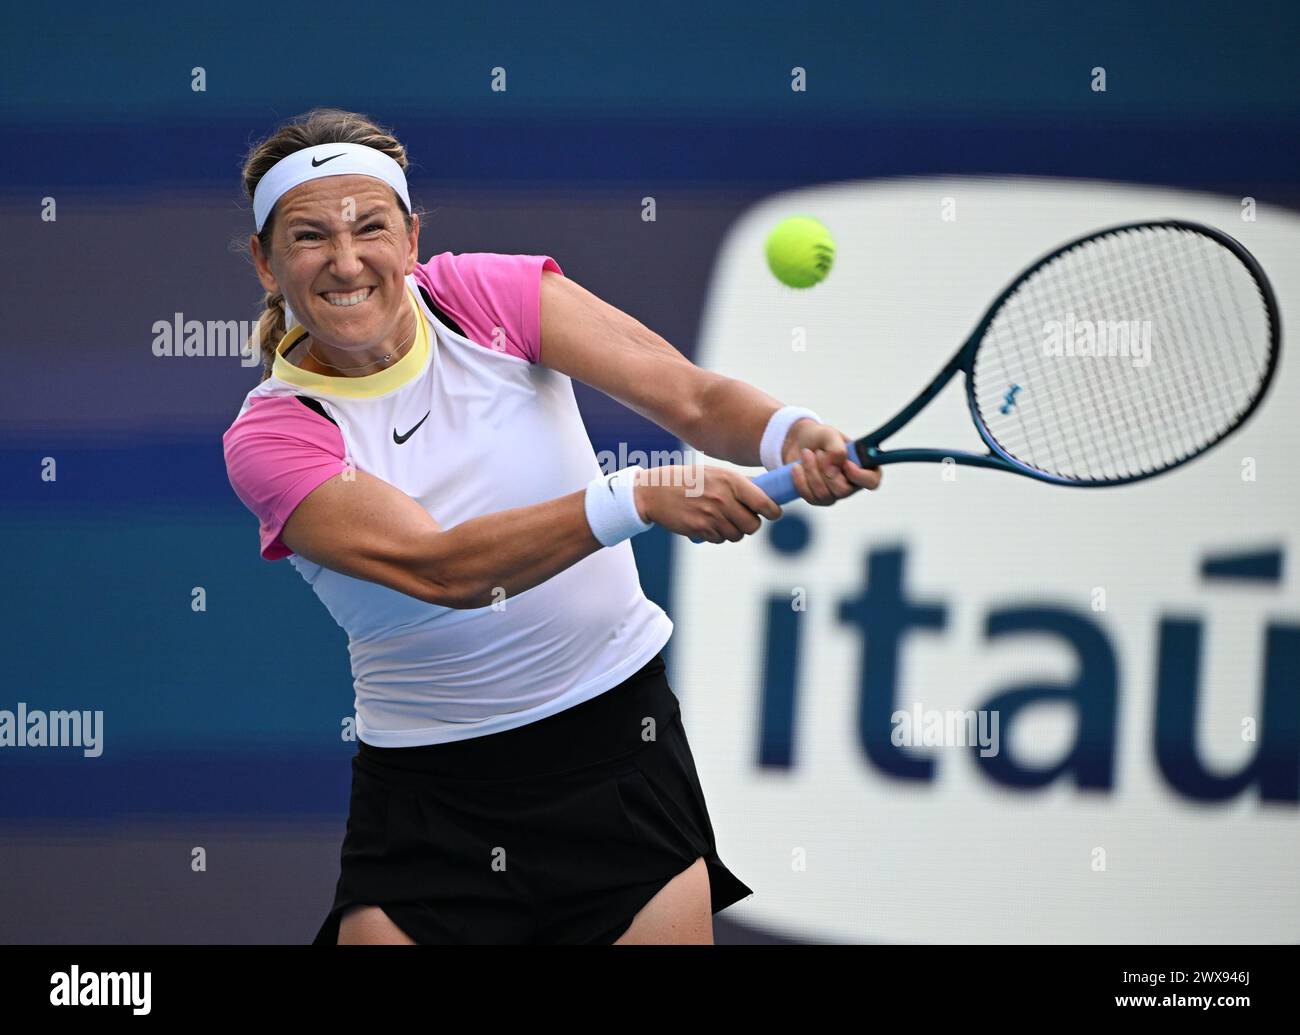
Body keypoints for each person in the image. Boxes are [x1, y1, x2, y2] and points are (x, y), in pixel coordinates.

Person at [222, 107, 881, 945]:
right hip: (430, 804)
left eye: (371, 228)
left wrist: (793, 432)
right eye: (310, 236)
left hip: (619, 751)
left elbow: (690, 396)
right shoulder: (275, 435)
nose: (346, 261)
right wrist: (634, 498)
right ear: (266, 262)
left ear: (413, 238)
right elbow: (441, 570)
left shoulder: (482, 298)